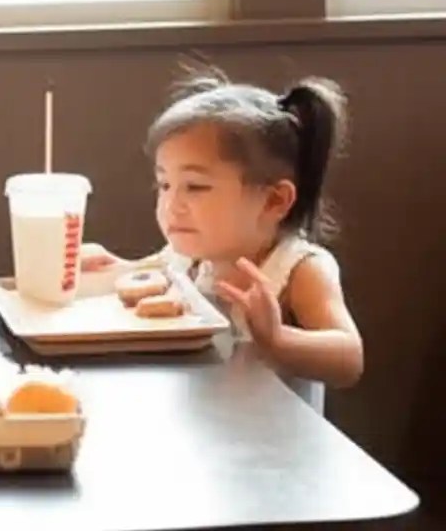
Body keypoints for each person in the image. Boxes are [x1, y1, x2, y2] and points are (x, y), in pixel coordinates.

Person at [85, 68, 364, 406]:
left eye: (196, 187)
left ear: (275, 200)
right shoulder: (187, 256)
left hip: (277, 449)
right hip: (203, 434)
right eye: (165, 185)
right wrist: (112, 268)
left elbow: (349, 359)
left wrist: (277, 339)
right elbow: (145, 275)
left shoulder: (298, 269)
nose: (172, 205)